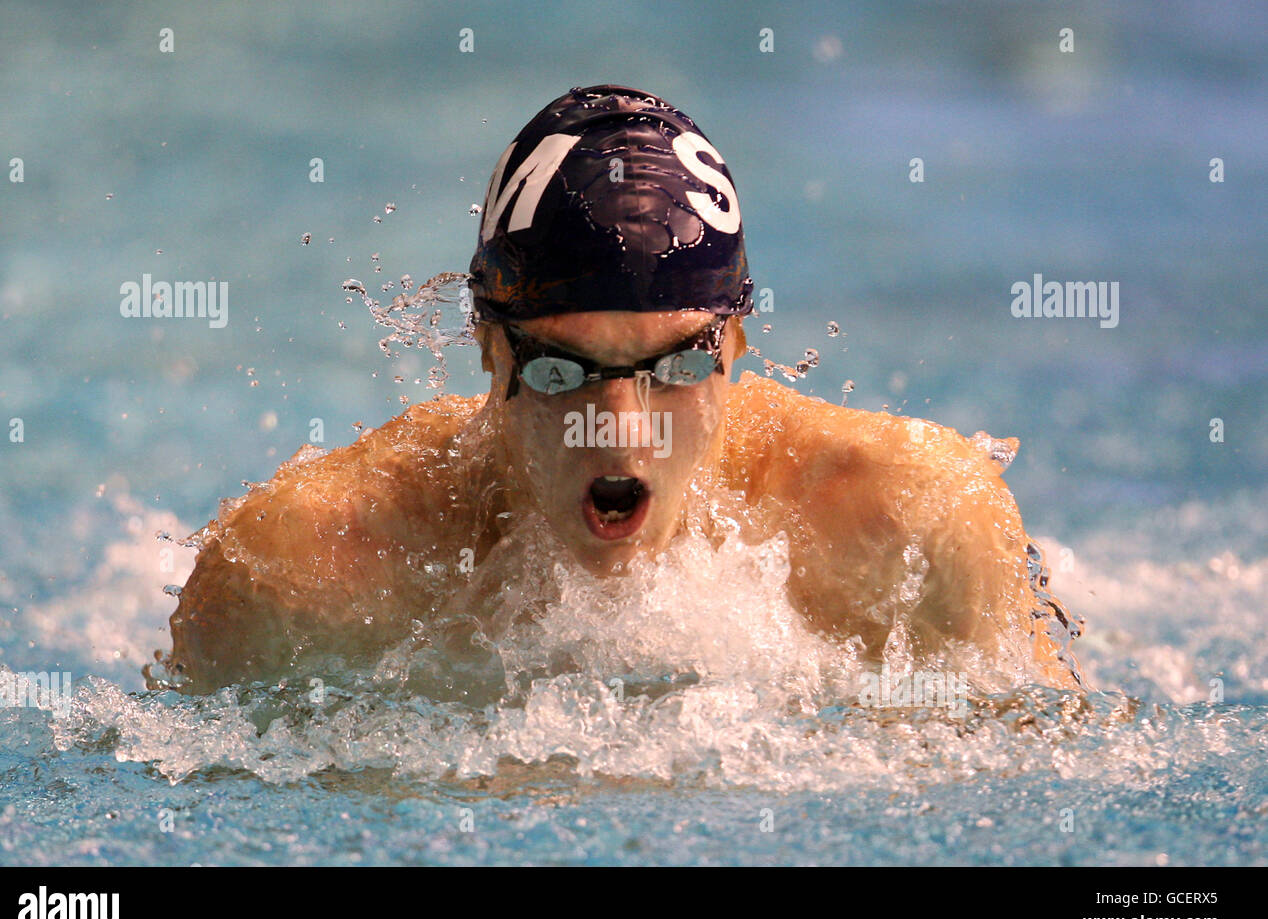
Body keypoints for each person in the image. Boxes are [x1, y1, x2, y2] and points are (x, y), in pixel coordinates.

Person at [152, 85, 1082, 695]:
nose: (620, 437)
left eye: (675, 367)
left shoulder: (909, 524)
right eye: (562, 372)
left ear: (736, 346)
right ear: (491, 352)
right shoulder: (300, 573)